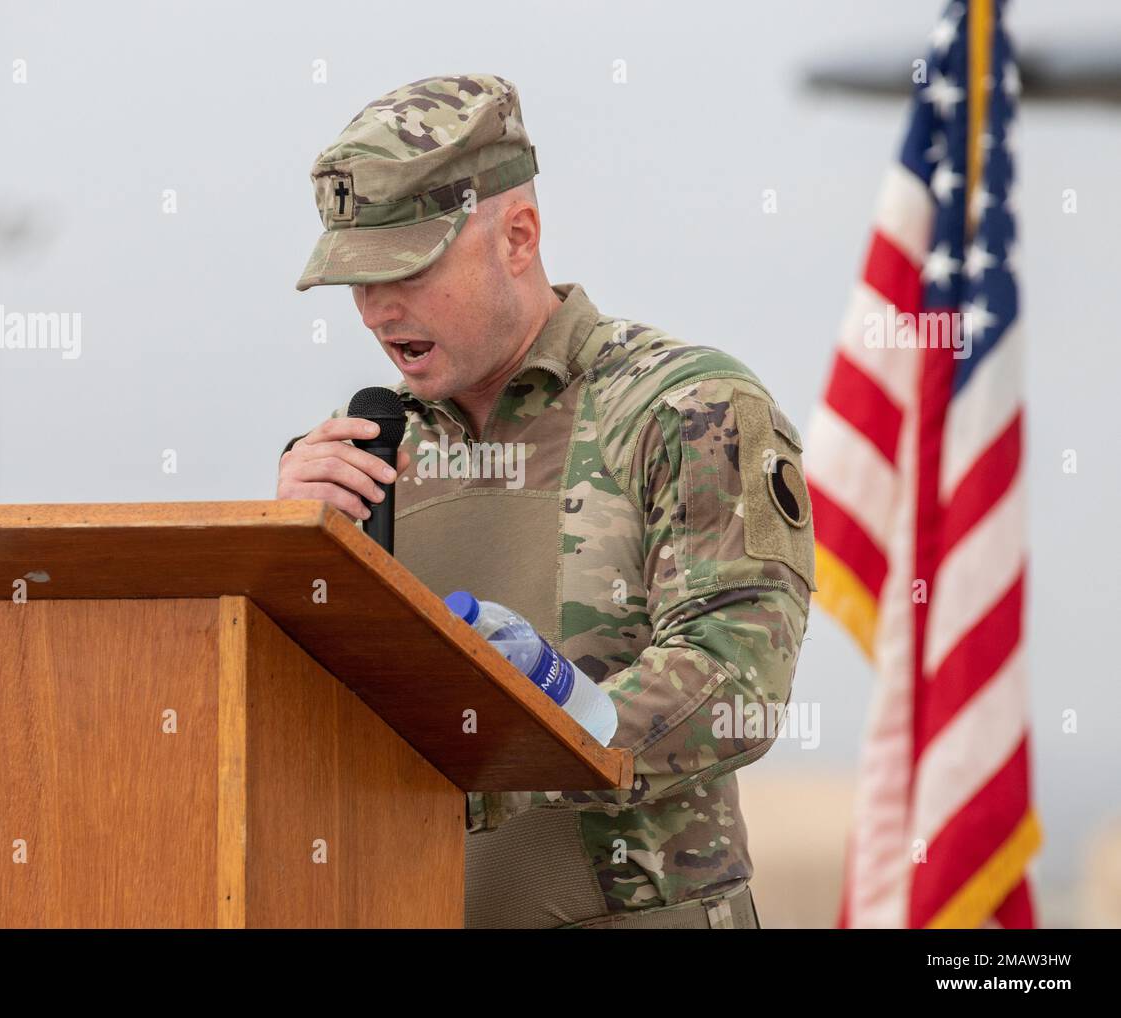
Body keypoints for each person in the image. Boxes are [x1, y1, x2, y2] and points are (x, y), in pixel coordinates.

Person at [278, 73, 816, 929]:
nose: (377, 311)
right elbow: (314, 746)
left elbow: (736, 684)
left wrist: (515, 738)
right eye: (356, 280)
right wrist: (287, 562)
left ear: (517, 236)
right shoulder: (365, 454)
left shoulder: (686, 408)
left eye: (406, 268)